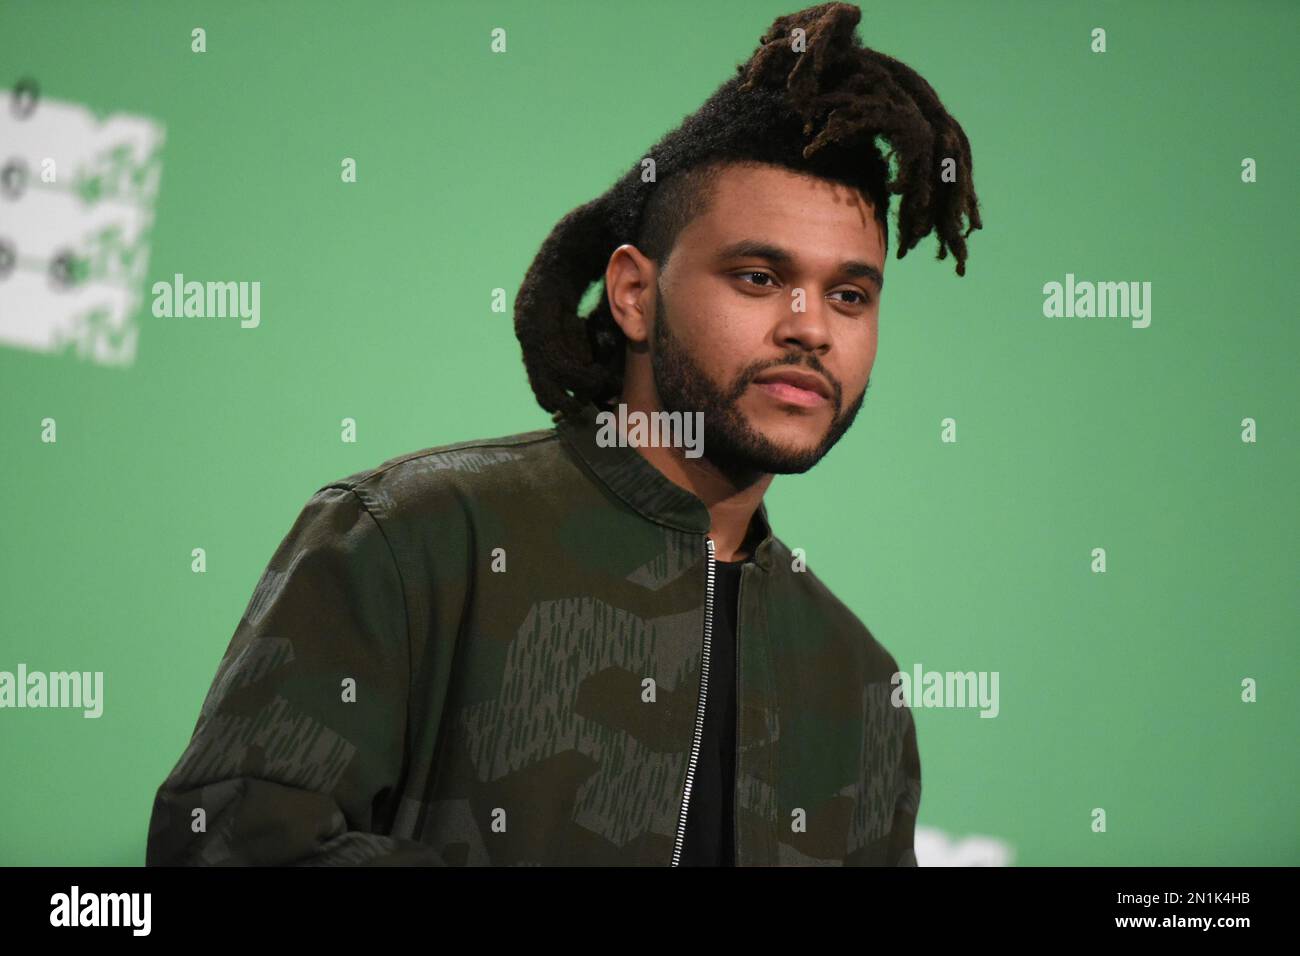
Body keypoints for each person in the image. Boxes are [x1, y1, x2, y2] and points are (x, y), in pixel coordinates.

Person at [146, 0, 981, 866]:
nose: (811, 327)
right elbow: (225, 845)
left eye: (851, 295)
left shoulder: (858, 684)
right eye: (760, 275)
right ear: (632, 293)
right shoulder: (412, 536)